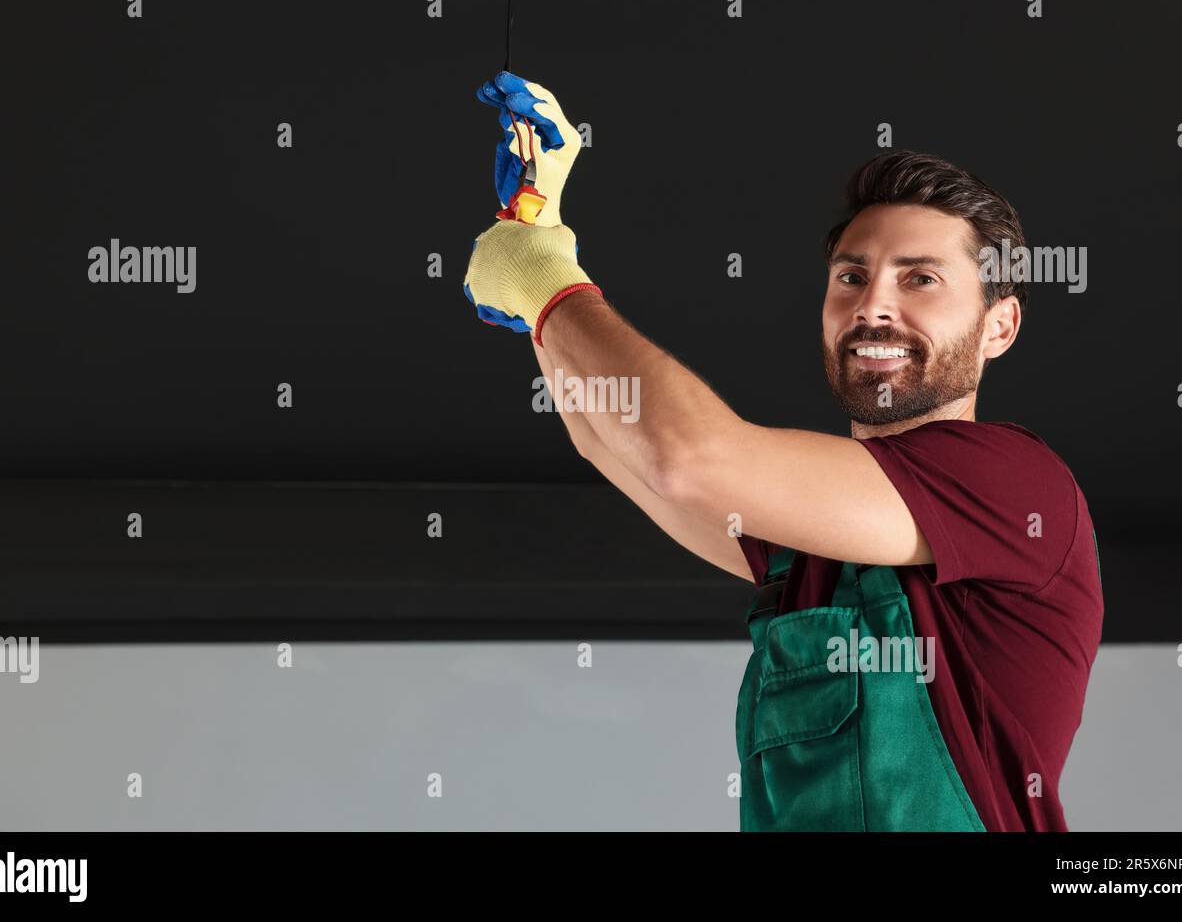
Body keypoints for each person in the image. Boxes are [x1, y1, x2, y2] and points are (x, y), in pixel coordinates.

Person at [464, 71, 1103, 832]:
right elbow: (609, 441)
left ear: (999, 327)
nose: (872, 304)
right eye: (851, 276)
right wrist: (539, 227)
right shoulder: (804, 555)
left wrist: (545, 283)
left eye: (921, 278)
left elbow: (688, 459)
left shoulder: (1013, 483)